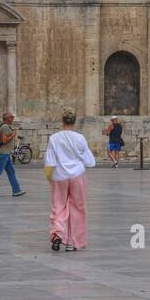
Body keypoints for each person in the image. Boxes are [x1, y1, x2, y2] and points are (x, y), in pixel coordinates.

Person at [45, 107, 97, 252]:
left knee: (58, 206)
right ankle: (72, 242)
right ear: (74, 121)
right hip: (77, 175)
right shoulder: (80, 138)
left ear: (62, 120)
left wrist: (49, 177)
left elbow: (50, 160)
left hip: (59, 176)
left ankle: (57, 234)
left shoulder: (54, 138)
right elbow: (90, 162)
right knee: (78, 207)